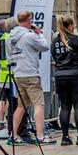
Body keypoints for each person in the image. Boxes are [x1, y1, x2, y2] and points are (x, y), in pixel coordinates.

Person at [8, 10, 53, 146]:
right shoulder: (29, 36)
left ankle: (13, 135)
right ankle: (40, 136)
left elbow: (9, 56)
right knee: (38, 104)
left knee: (21, 106)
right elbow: (45, 47)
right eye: (31, 20)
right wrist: (40, 34)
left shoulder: (10, 37)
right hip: (31, 74)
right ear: (28, 20)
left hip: (18, 73)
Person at [51, 14, 78, 145]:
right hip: (76, 76)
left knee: (64, 106)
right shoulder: (76, 39)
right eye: (73, 25)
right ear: (70, 26)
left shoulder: (55, 42)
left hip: (60, 76)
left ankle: (65, 138)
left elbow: (54, 56)